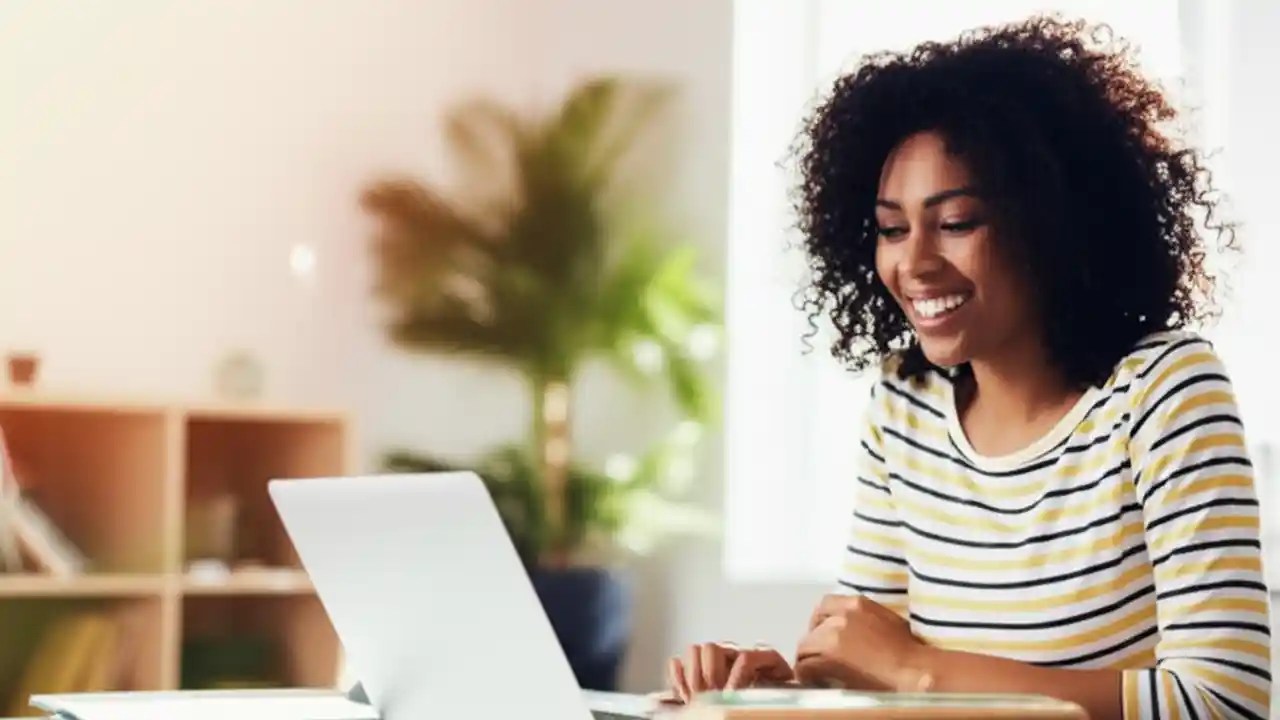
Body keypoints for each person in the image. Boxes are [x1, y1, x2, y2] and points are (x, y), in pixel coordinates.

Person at [667, 14, 1272, 720]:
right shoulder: (906, 404)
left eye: (956, 223)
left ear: (1054, 220)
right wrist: (776, 695)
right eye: (892, 229)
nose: (914, 263)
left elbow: (1225, 701)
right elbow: (869, 673)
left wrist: (913, 670)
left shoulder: (1163, 391)